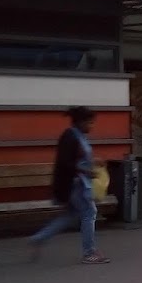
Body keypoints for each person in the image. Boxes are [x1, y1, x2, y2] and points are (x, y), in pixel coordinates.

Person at [29, 106, 110, 264]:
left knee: (70, 215)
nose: (92, 126)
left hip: (77, 183)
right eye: (90, 123)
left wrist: (94, 162)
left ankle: (38, 238)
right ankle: (89, 253)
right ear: (80, 122)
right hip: (74, 184)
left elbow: (78, 158)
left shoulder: (79, 136)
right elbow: (65, 162)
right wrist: (86, 172)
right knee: (89, 212)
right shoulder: (69, 136)